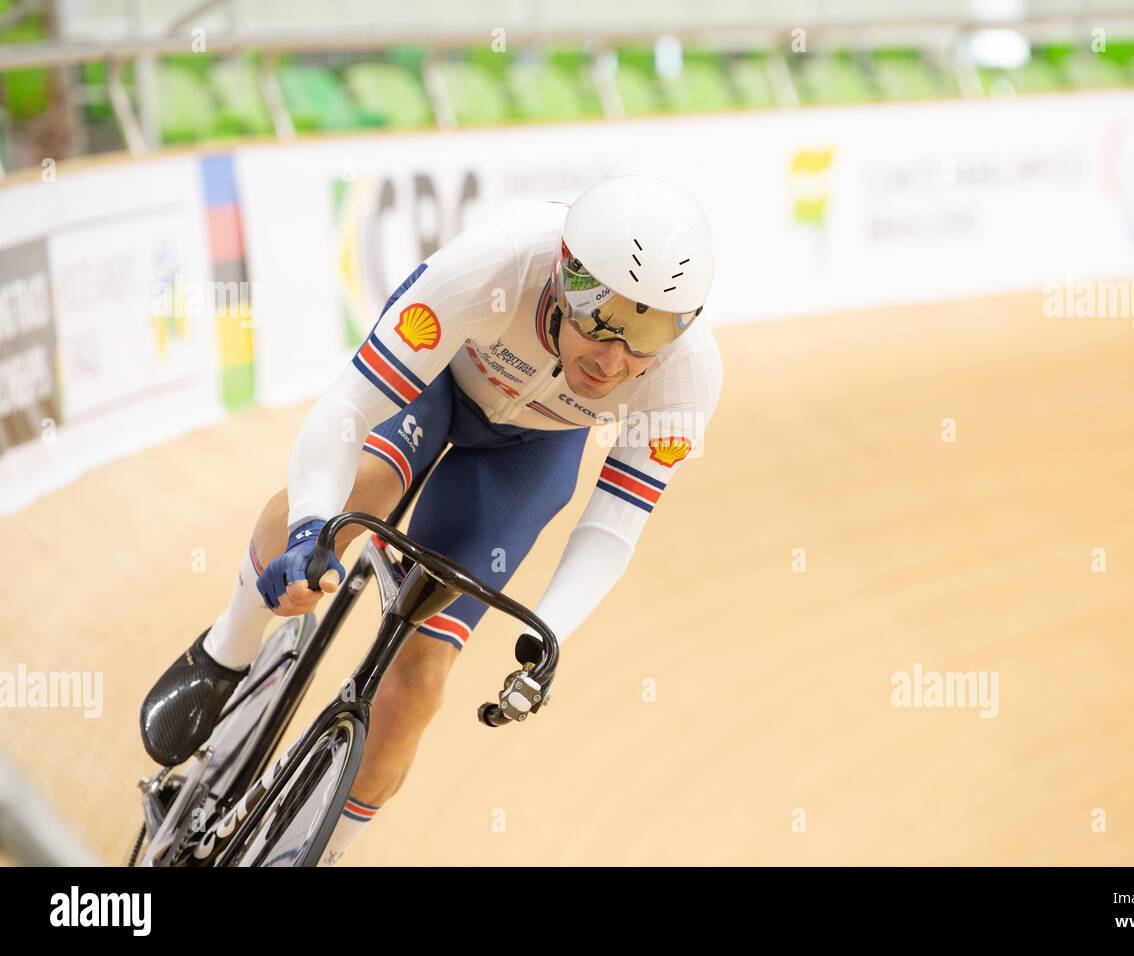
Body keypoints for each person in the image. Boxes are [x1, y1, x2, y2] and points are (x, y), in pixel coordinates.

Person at [138, 174, 724, 865]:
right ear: (567, 281)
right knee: (358, 496)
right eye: (602, 321)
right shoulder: (495, 263)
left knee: (417, 684)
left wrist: (552, 636)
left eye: (648, 335)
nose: (613, 359)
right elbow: (346, 411)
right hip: (437, 384)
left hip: (528, 452)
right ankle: (227, 650)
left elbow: (614, 523)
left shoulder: (688, 375)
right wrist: (310, 529)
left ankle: (323, 853)